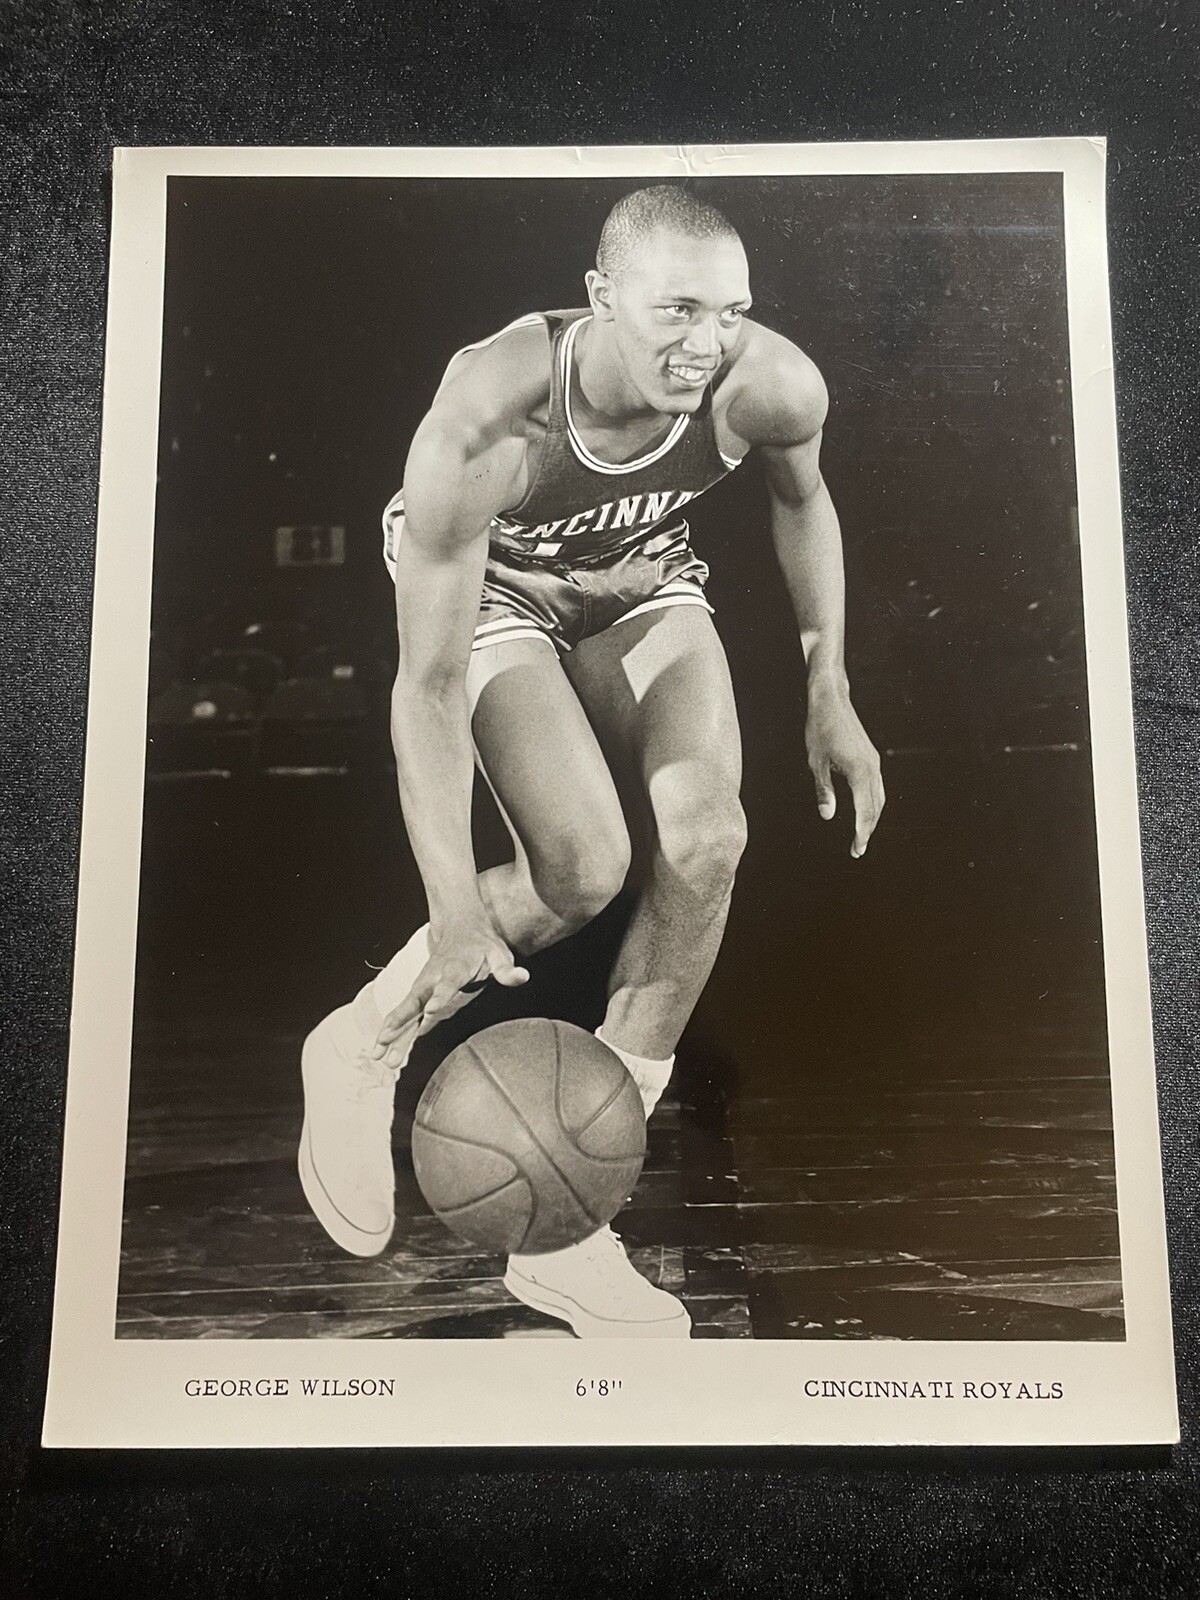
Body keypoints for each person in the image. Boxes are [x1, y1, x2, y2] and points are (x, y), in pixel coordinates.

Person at [298, 184, 884, 1339]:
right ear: (600, 298)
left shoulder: (768, 383)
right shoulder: (488, 413)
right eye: (677, 311)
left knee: (709, 836)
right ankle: (366, 1033)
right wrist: (453, 903)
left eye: (730, 312)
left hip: (639, 580)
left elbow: (803, 501)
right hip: (495, 587)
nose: (705, 343)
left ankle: (575, 1211)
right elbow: (422, 686)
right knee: (579, 869)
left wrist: (830, 688)